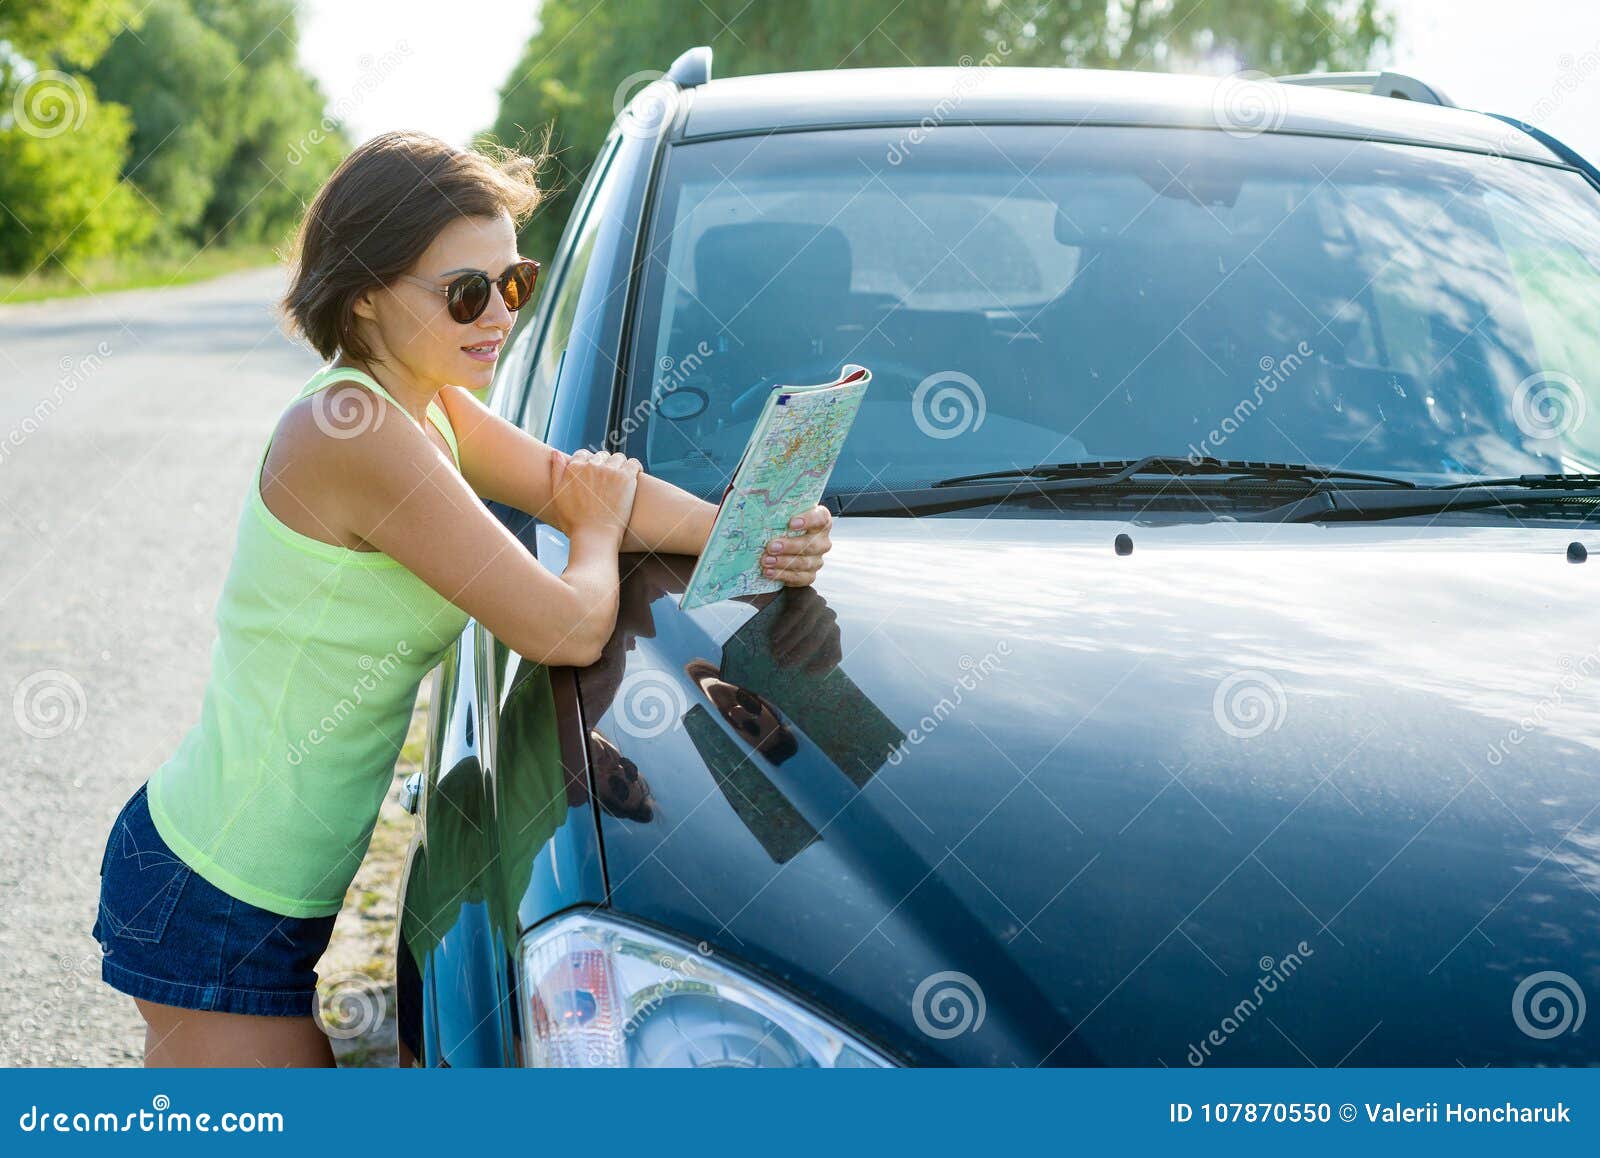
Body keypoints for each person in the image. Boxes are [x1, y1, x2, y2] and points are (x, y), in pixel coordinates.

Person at [90, 130, 835, 1067]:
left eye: (513, 282)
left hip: (262, 886)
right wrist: (596, 533)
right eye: (465, 293)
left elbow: (569, 480)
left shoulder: (426, 401)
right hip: (216, 892)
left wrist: (749, 534)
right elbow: (563, 624)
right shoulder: (349, 428)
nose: (500, 316)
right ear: (363, 293)